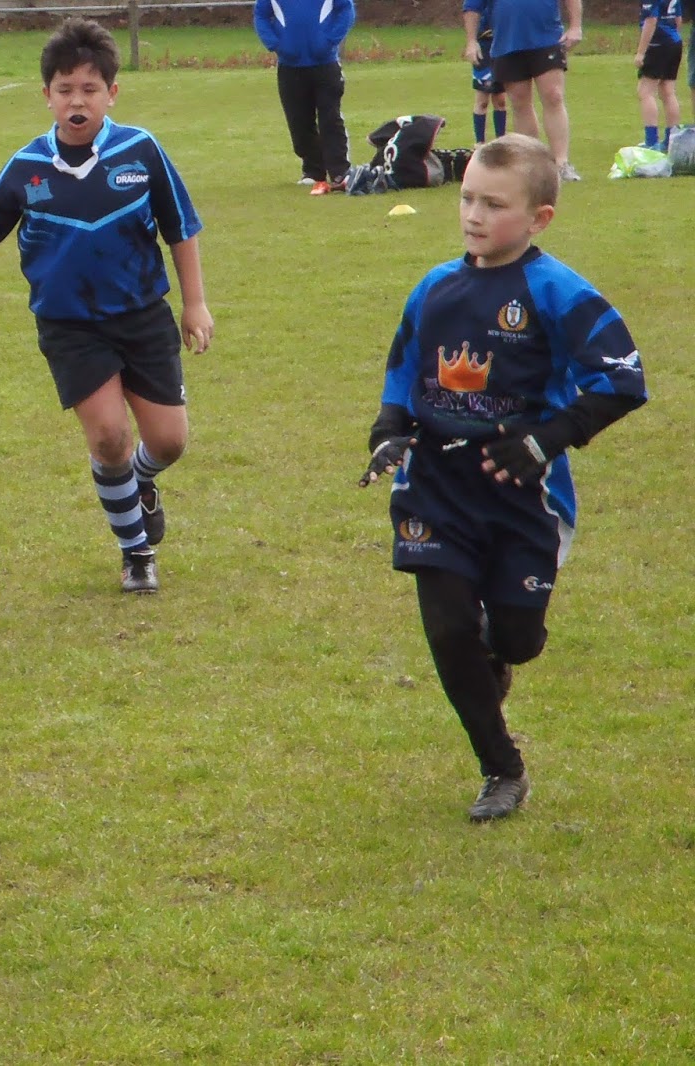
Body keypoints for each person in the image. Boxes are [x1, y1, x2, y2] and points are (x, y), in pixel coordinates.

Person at [359, 135, 647, 822]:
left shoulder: (557, 291)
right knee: (448, 626)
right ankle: (502, 768)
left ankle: (506, 649)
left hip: (524, 498)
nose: (473, 216)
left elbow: (624, 380)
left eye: (493, 204)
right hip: (436, 484)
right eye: (466, 199)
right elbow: (403, 371)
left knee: (513, 638)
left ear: (539, 218)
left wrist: (546, 440)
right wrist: (389, 430)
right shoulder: (435, 288)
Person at [0, 17, 213, 596]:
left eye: (90, 89)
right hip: (69, 324)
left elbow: (182, 229)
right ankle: (136, 552)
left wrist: (195, 305)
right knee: (108, 438)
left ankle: (139, 484)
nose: (78, 101)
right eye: (65, 90)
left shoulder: (141, 150)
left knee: (169, 441)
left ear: (112, 93)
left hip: (142, 315)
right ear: (46, 95)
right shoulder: (28, 166)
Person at [462, 0, 584, 181]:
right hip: (507, 43)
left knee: (554, 96)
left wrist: (575, 26)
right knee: (520, 103)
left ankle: (561, 163)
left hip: (547, 39)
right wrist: (472, 41)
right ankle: (533, 166)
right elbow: (472, 7)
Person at [253, 0, 355, 194]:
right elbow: (261, 15)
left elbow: (345, 9)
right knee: (298, 122)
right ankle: (313, 171)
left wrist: (330, 40)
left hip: (325, 64)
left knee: (330, 118)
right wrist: (275, 44)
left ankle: (340, 171)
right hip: (289, 67)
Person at [633, 0, 683, 149]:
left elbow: (651, 20)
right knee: (668, 91)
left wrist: (641, 52)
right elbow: (678, 19)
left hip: (657, 44)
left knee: (645, 91)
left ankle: (651, 141)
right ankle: (672, 142)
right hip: (674, 42)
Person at [471, 3, 509, 144]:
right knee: (482, 100)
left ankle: (501, 141)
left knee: (500, 100)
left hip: (502, 47)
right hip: (484, 49)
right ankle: (479, 143)